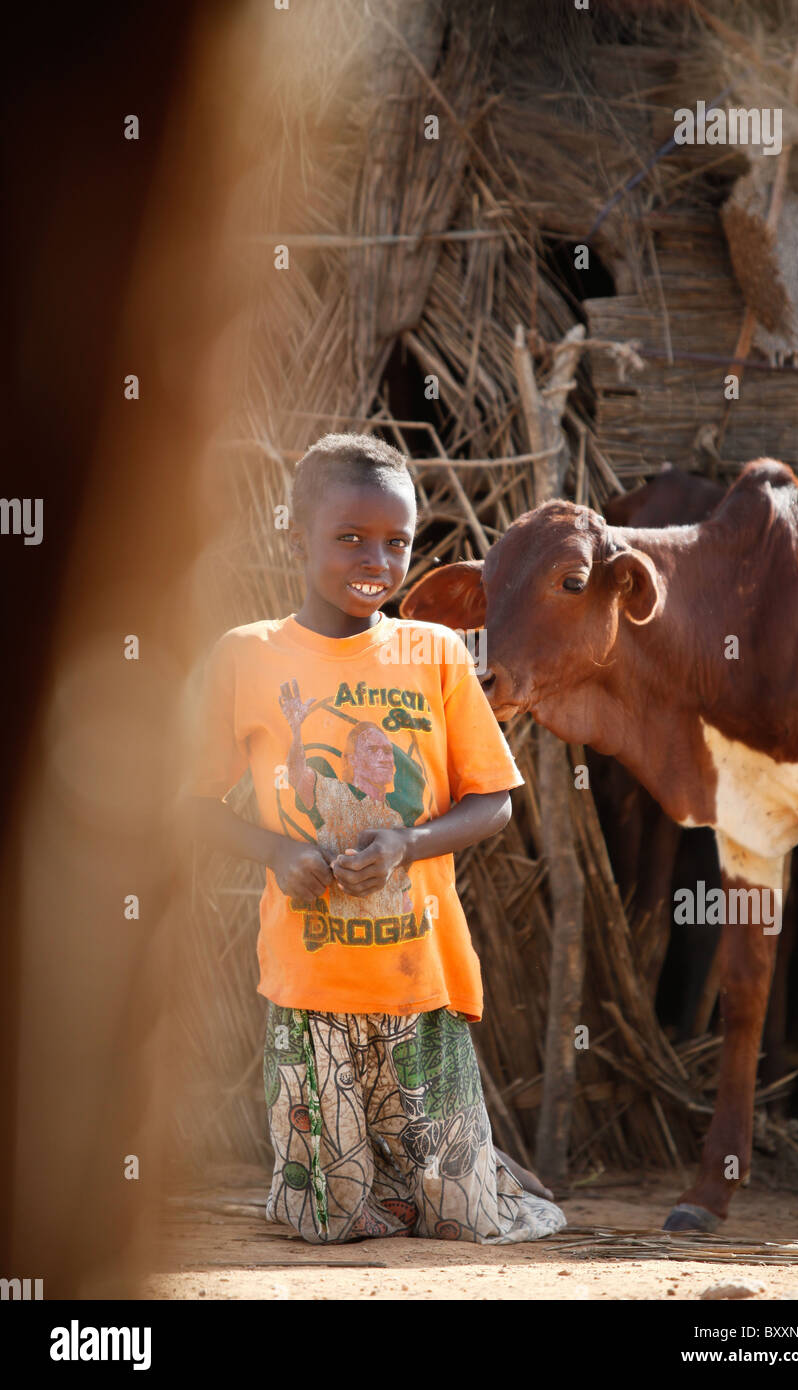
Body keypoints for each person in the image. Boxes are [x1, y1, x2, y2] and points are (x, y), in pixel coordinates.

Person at [183, 431, 567, 1244]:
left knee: (464, 1224)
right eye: (350, 538)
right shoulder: (247, 657)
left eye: (396, 542)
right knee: (329, 1223)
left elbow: (493, 799)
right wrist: (280, 852)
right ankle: (399, 1181)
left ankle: (484, 1172)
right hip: (309, 985)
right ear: (294, 537)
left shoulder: (433, 654)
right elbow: (190, 802)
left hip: (417, 979)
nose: (377, 560)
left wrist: (406, 843)